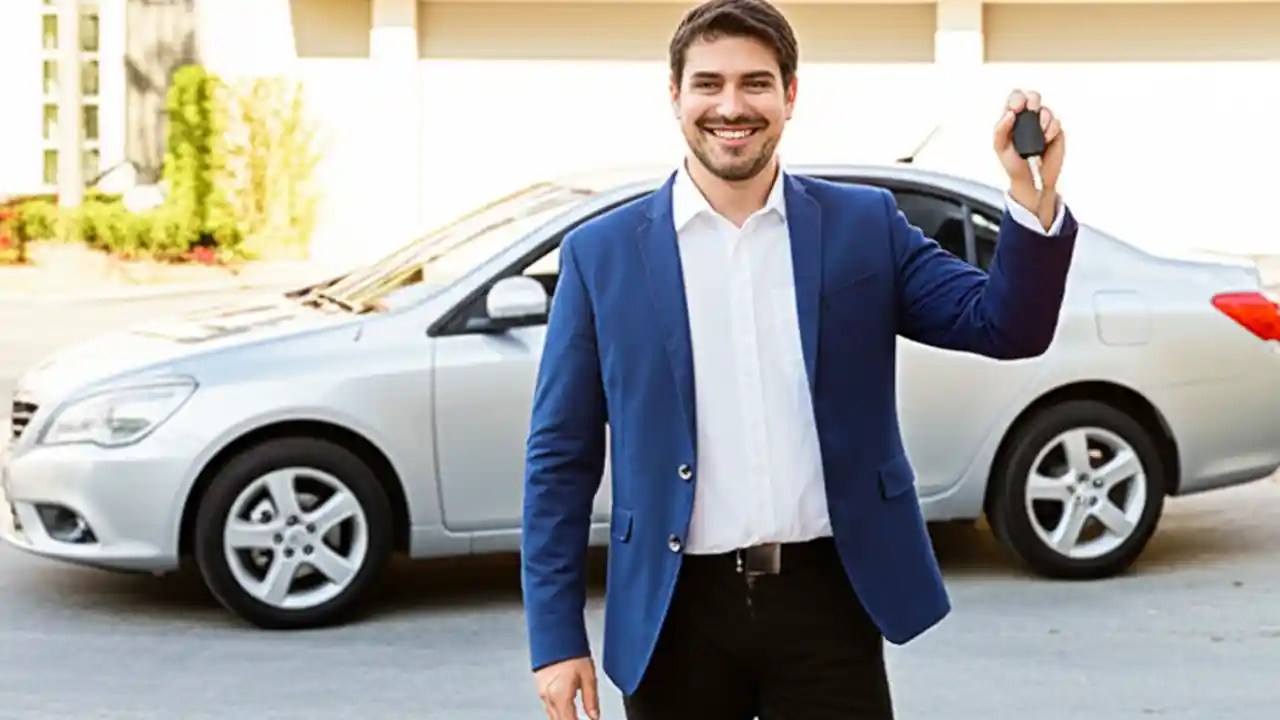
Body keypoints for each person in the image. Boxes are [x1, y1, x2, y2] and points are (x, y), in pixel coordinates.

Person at [521, 0, 1076, 717]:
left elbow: (1006, 327)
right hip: (673, 610)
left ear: (789, 95)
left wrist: (1033, 200)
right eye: (708, 83)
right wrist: (556, 638)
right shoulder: (602, 255)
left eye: (755, 83)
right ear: (675, 96)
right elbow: (559, 459)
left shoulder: (863, 227)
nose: (731, 105)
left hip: (828, 601)